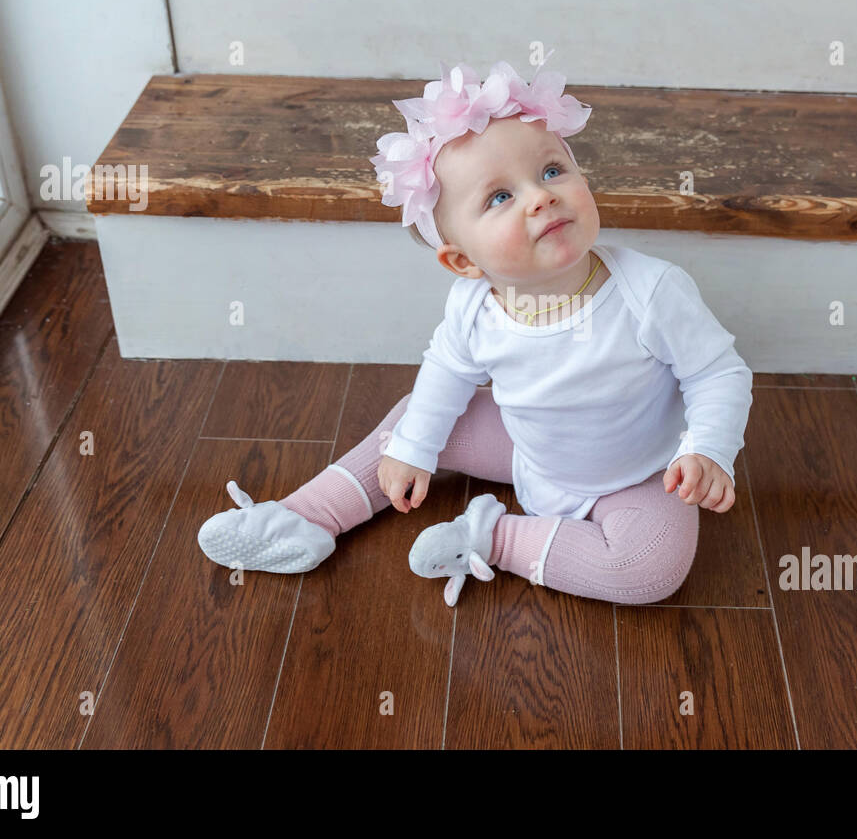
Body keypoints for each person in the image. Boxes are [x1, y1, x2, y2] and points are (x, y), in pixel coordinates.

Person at [197, 57, 754, 607]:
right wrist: (416, 448)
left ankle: (493, 537)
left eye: (553, 171)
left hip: (639, 473)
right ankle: (307, 517)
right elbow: (446, 369)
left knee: (648, 569)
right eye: (500, 197)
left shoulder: (650, 291)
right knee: (415, 417)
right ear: (463, 261)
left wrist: (708, 449)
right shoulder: (473, 305)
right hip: (525, 451)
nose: (542, 196)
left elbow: (718, 373)